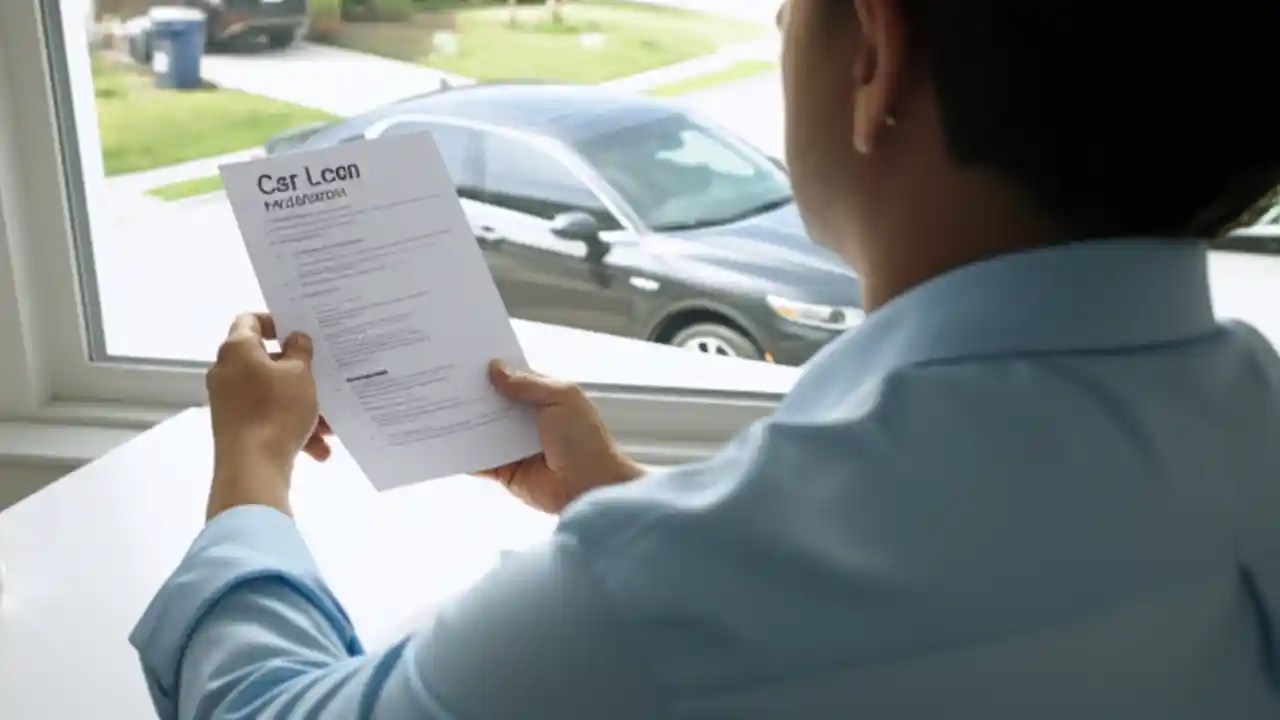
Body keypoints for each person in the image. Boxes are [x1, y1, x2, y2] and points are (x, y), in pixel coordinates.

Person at [131, 1, 1280, 717]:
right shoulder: (1251, 429)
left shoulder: (661, 599)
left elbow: (264, 709)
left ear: (871, 55)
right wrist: (630, 501)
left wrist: (252, 466)